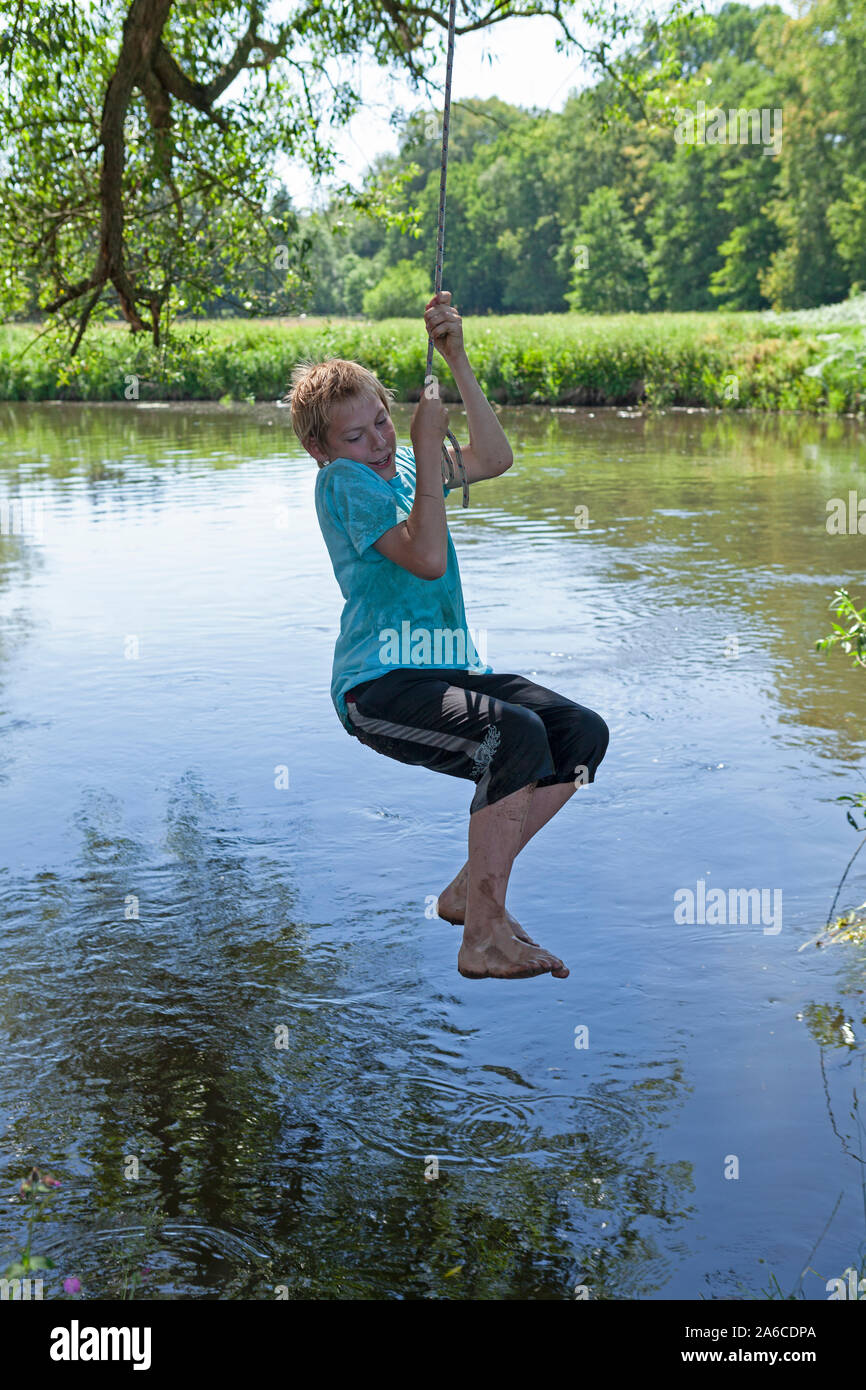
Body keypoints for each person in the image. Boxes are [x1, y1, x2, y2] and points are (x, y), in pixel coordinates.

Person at [288, 291, 609, 980]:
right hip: (379, 686)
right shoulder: (344, 486)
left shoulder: (402, 467)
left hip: (446, 668)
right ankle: (483, 936)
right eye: (357, 435)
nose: (378, 442)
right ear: (321, 451)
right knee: (513, 736)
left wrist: (455, 358)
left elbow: (496, 456)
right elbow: (425, 554)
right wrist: (427, 453)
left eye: (382, 422)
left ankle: (470, 891)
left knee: (581, 736)